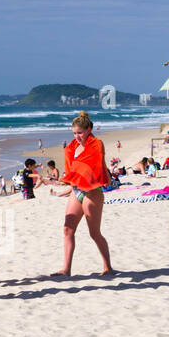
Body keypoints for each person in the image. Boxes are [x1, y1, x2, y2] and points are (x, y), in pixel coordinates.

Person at [52, 111, 113, 277]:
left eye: (80, 132)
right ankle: (66, 269)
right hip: (77, 190)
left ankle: (108, 266)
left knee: (94, 233)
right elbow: (72, 171)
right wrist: (65, 183)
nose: (77, 136)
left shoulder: (96, 144)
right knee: (67, 229)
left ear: (89, 129)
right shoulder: (71, 148)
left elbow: (95, 167)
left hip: (92, 192)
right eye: (74, 133)